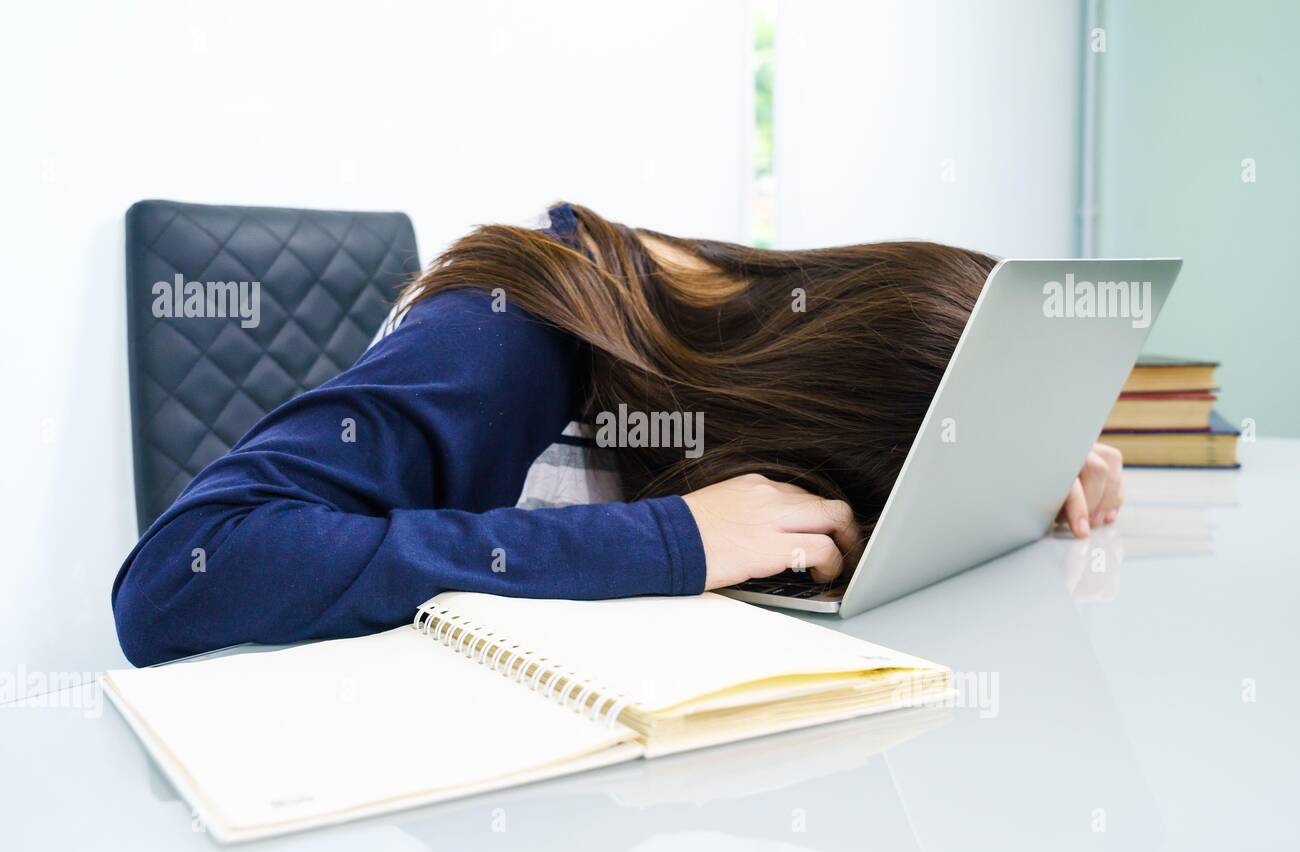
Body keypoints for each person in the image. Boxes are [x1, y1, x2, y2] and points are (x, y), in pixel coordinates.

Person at [112, 203, 1124, 665]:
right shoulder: (507, 337)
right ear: (786, 435)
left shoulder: (744, 335)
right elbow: (173, 579)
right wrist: (670, 540)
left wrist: (1011, 457)